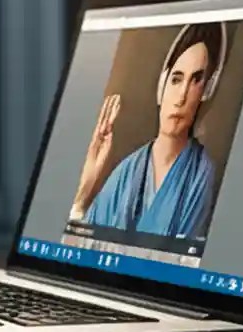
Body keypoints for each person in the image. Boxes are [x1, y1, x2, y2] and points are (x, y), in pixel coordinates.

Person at [69, 22, 227, 239]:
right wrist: (83, 194)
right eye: (176, 79)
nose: (181, 96)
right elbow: (80, 250)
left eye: (195, 81)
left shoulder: (200, 175)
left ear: (206, 91)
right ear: (163, 85)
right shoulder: (126, 171)